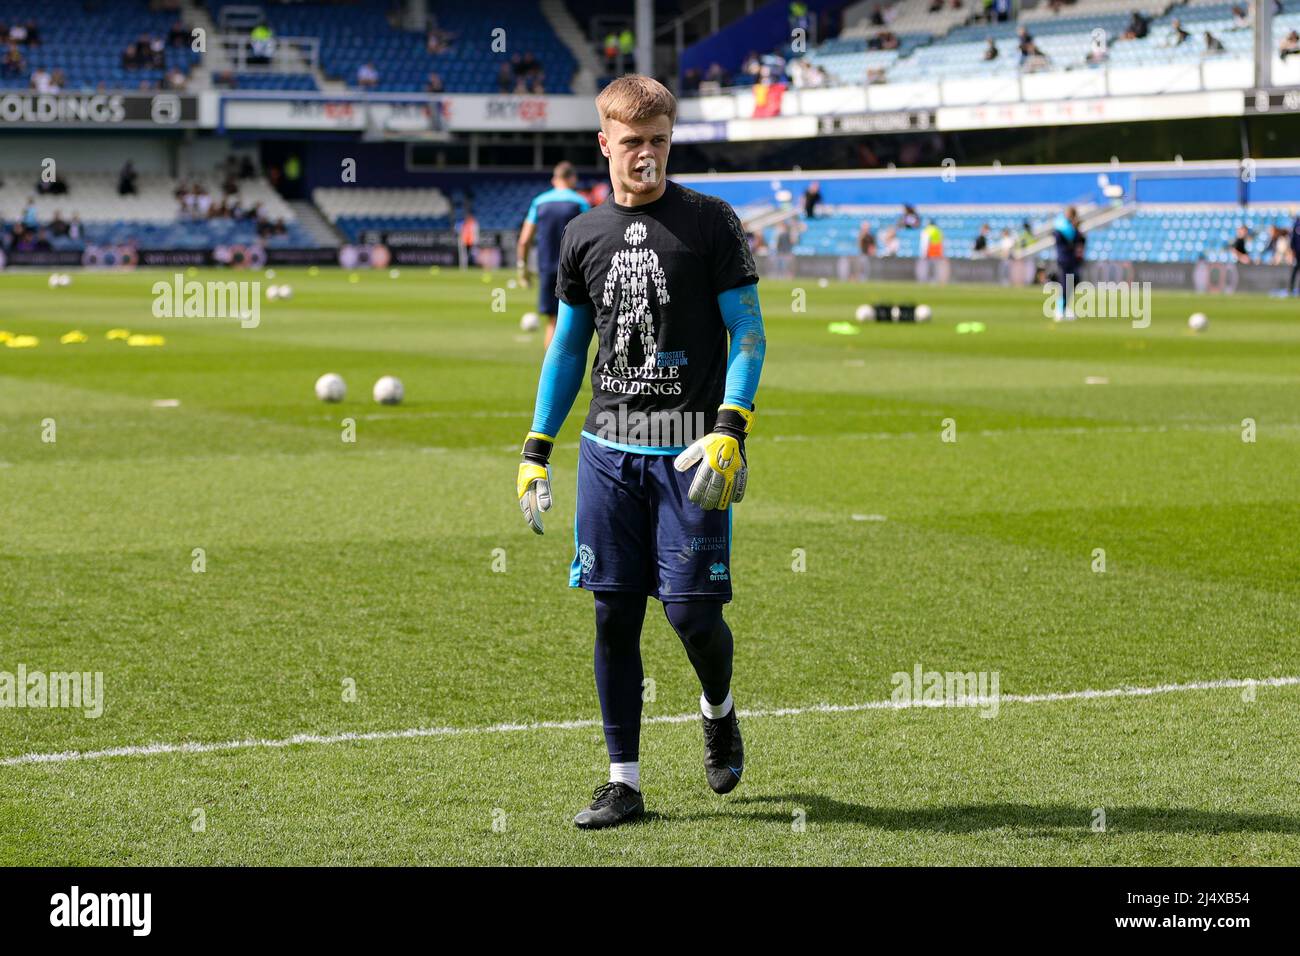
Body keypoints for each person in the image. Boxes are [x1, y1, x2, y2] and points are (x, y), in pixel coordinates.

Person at [515, 75, 766, 830]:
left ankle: (717, 708)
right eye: (632, 143)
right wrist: (536, 448)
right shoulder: (581, 234)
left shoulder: (711, 223)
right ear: (605, 143)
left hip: (693, 454)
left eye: (658, 141)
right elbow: (567, 347)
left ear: (670, 139)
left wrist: (732, 426)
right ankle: (622, 781)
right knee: (613, 615)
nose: (646, 155)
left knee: (692, 617)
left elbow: (748, 332)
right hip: (607, 455)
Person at [516, 161, 591, 349]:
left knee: (553, 323)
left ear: (554, 179)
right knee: (580, 324)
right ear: (572, 178)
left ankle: (552, 376)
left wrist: (522, 268)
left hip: (548, 269)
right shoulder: (580, 202)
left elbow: (524, 240)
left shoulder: (539, 202)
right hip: (576, 271)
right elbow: (591, 236)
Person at [1052, 206, 1083, 320]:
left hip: (1070, 259)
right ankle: (1060, 309)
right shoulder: (1063, 227)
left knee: (1073, 281)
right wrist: (1075, 228)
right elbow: (1073, 238)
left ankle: (1065, 307)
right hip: (1065, 258)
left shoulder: (1065, 226)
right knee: (1066, 283)